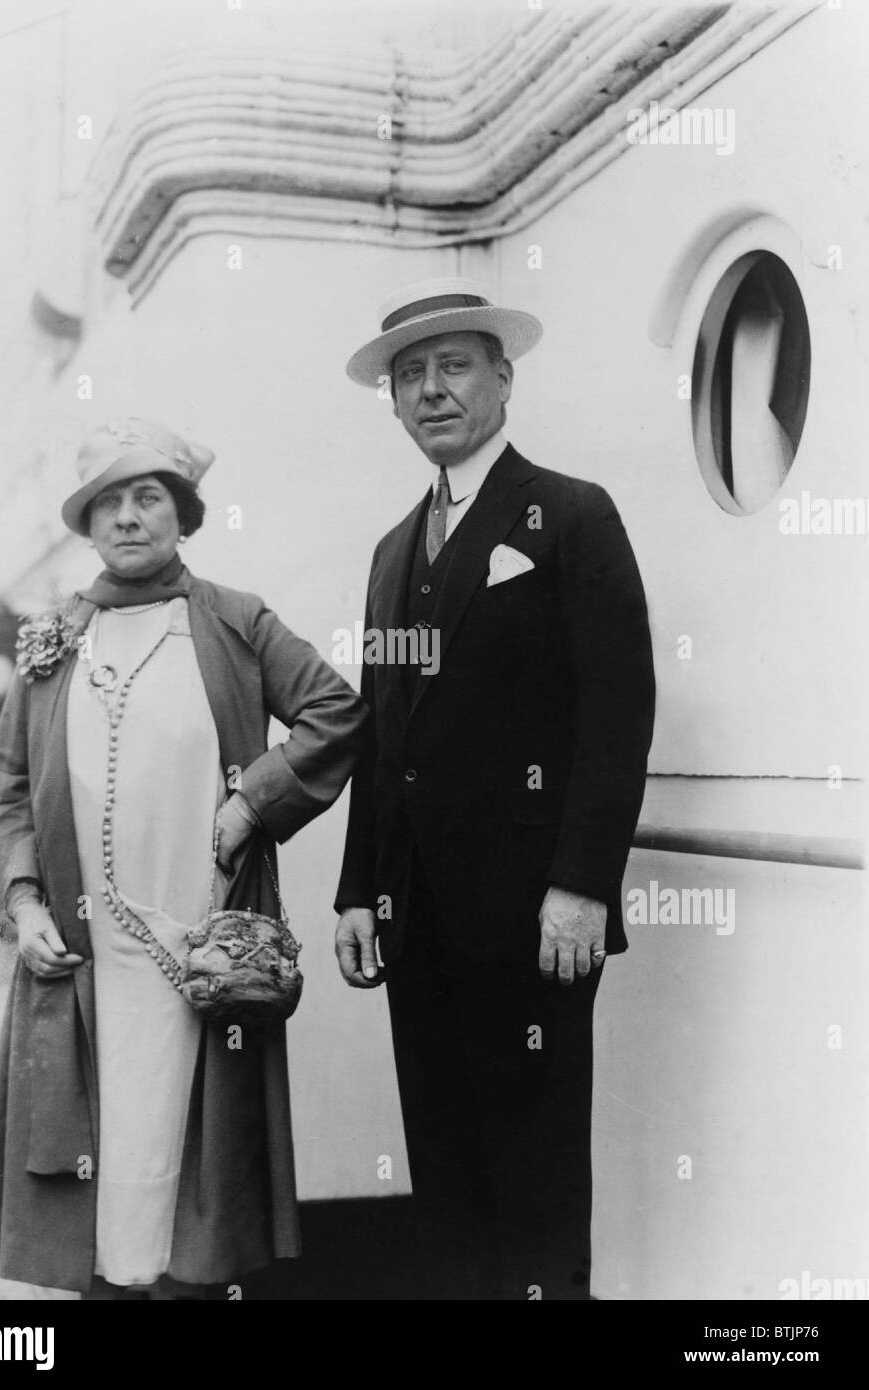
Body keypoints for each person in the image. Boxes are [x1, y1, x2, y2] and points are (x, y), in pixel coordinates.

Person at [0, 417, 368, 1299]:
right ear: (86, 525)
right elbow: (7, 789)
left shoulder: (235, 620)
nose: (126, 517)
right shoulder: (53, 639)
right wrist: (27, 900)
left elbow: (335, 714)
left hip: (198, 943)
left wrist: (251, 800)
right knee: (95, 1151)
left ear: (182, 514)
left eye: (147, 496)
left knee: (188, 1152)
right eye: (106, 502)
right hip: (83, 953)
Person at [334, 278, 656, 1300]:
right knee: (448, 1182)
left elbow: (619, 708)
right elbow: (382, 731)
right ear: (392, 401)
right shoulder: (391, 555)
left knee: (536, 1178)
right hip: (415, 915)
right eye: (410, 375)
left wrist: (582, 882)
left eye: (454, 364)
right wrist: (355, 888)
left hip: (534, 920)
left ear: (504, 376)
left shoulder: (569, 515)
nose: (431, 390)